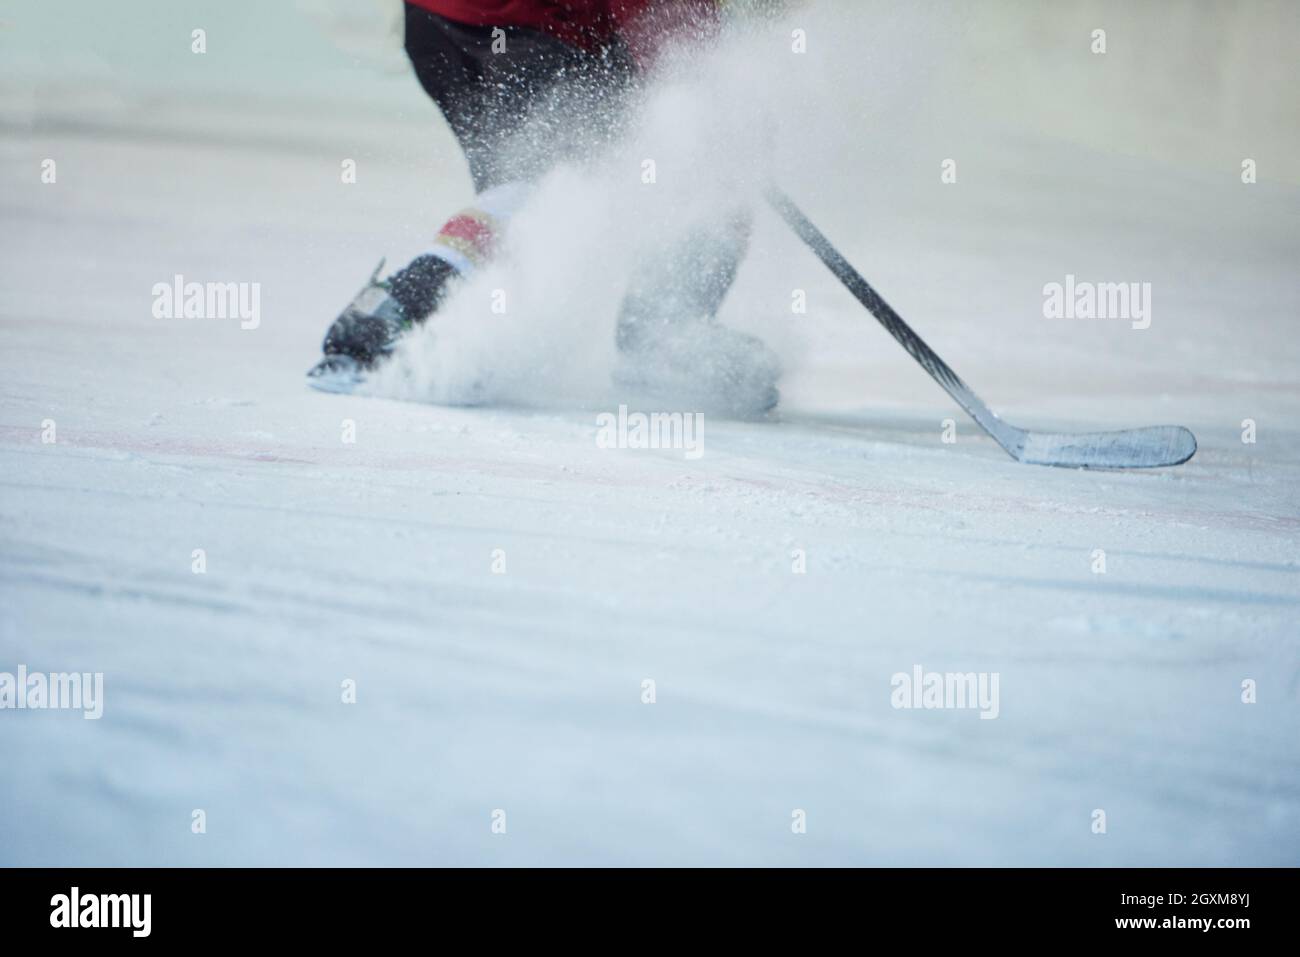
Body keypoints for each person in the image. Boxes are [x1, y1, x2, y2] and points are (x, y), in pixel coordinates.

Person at [309, 0, 780, 416]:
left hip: (439, 22)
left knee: (533, 192)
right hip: (521, 25)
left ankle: (450, 325)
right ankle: (397, 309)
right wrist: (716, 105)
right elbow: (676, 39)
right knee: (564, 179)